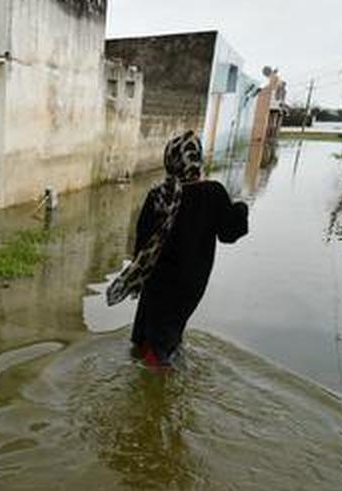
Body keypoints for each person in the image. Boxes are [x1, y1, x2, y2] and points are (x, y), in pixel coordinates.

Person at [106, 131, 249, 368]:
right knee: (166, 338)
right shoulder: (213, 193)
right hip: (190, 284)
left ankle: (154, 390)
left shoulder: (158, 195)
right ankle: (160, 390)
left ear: (169, 161)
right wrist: (241, 208)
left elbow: (140, 245)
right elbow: (229, 233)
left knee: (149, 338)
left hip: (157, 282)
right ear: (196, 161)